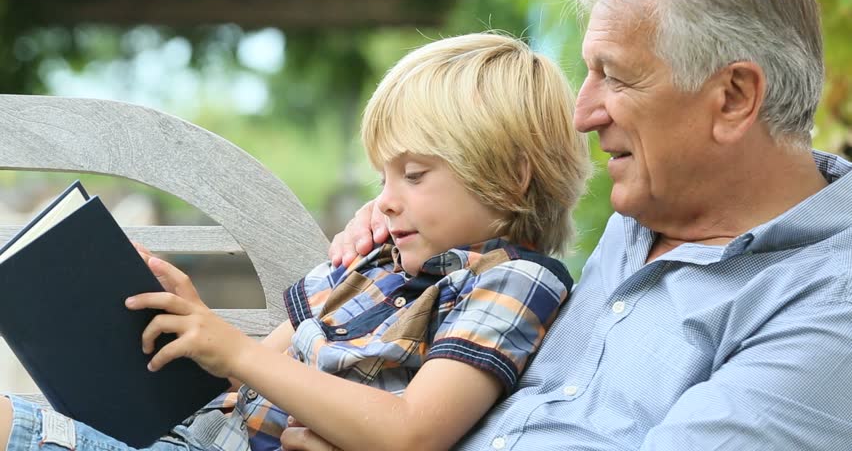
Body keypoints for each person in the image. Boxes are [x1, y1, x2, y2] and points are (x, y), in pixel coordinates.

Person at [288, 0, 852, 449]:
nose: (584, 114)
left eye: (616, 76)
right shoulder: (651, 216)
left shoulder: (828, 305)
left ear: (732, 98)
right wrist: (400, 224)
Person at [0, 32, 591, 451]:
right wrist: (195, 322)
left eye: (414, 175)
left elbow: (412, 430)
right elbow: (250, 374)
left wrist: (234, 350)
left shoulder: (512, 279)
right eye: (382, 176)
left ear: (513, 176)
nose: (384, 199)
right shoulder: (373, 260)